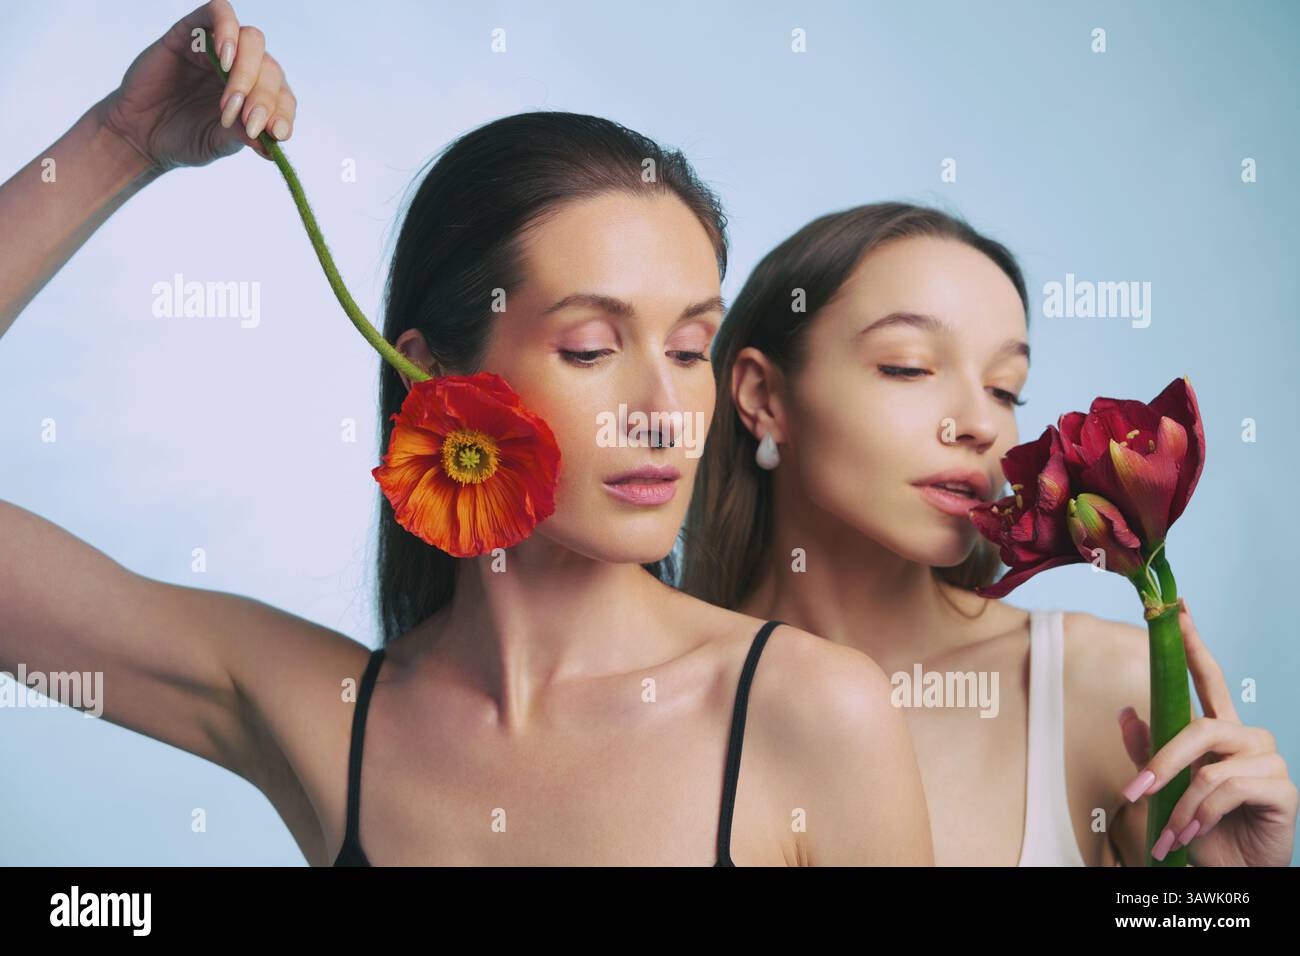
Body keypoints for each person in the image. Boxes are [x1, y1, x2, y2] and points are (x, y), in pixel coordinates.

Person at [0, 1, 933, 866]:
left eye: (691, 348)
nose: (662, 408)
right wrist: (120, 140)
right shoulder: (327, 716)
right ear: (436, 376)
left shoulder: (809, 711)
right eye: (592, 347)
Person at [681, 201, 1297, 866]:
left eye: (1006, 389)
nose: (981, 424)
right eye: (909, 367)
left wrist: (1227, 896)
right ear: (761, 397)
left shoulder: (1097, 688)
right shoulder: (650, 695)